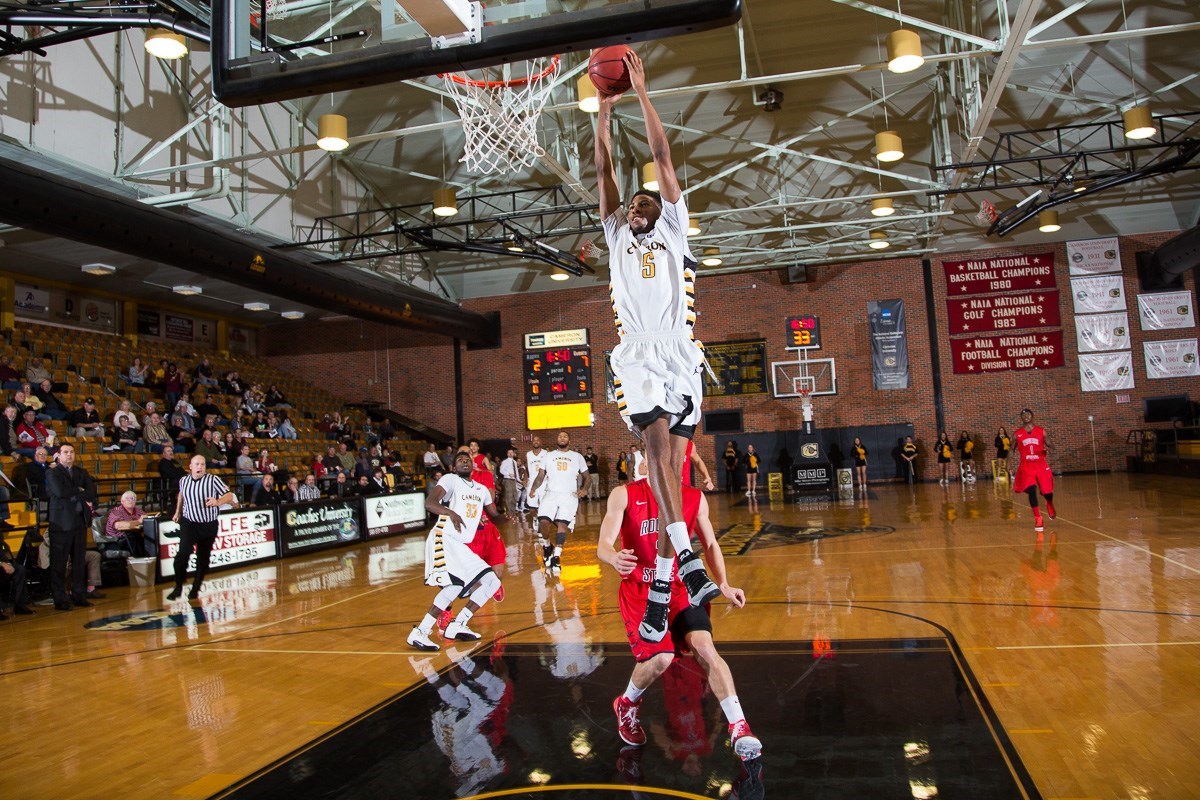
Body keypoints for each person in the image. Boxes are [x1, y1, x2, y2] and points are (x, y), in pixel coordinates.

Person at [594, 50, 720, 642]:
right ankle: (685, 559)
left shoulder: (672, 225)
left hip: (680, 349)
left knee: (673, 467)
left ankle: (667, 581)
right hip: (639, 351)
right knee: (651, 450)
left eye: (645, 202)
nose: (637, 206)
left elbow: (662, 156)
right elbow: (604, 176)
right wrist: (601, 113)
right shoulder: (616, 230)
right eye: (634, 203)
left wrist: (642, 95)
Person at [598, 459, 761, 762]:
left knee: (705, 647)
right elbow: (603, 544)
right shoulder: (624, 494)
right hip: (641, 592)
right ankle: (627, 703)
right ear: (648, 464)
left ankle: (739, 726)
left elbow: (711, 543)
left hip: (679, 588)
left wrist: (724, 583)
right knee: (661, 658)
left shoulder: (694, 498)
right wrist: (613, 557)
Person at [407, 451, 506, 651]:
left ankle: (458, 624)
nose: (464, 462)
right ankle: (420, 632)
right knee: (453, 586)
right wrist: (451, 512)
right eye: (459, 460)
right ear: (453, 467)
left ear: (473, 466)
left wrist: (507, 517)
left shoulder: (482, 490)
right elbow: (430, 503)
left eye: (467, 460)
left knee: (491, 581)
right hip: (444, 538)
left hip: (460, 545)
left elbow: (494, 515)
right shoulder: (450, 480)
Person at [169, 455, 236, 600]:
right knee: (182, 555)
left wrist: (217, 501)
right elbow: (181, 494)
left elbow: (229, 495)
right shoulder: (184, 480)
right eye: (197, 464)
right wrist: (177, 512)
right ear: (191, 466)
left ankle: (195, 587)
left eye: (203, 464)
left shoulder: (213, 480)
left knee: (203, 558)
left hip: (208, 524)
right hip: (189, 522)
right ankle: (178, 586)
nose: (200, 467)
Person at [45, 443, 98, 611]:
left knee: (78, 562)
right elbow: (60, 492)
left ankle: (79, 595)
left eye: (72, 452)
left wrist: (76, 491)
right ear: (58, 455)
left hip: (79, 522)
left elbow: (90, 492)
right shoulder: (52, 472)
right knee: (59, 564)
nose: (69, 455)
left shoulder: (81, 472)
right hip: (61, 524)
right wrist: (78, 490)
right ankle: (60, 599)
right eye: (66, 452)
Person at [529, 431, 590, 575]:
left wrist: (585, 489)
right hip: (551, 493)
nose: (562, 438)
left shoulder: (577, 457)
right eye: (560, 436)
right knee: (543, 522)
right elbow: (540, 475)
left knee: (562, 525)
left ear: (569, 440)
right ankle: (546, 546)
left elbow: (587, 477)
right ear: (557, 440)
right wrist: (533, 488)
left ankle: (556, 556)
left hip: (569, 495)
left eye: (565, 436)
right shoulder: (548, 456)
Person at [1014, 408, 1056, 533]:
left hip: (1040, 463)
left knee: (1047, 491)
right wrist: (1008, 463)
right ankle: (1038, 517)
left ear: (1032, 416)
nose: (1026, 416)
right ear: (1021, 418)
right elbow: (1011, 450)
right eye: (1023, 415)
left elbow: (1050, 445)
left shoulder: (1041, 431)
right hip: (1027, 465)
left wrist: (1049, 449)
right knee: (1031, 489)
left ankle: (1049, 503)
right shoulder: (1017, 434)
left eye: (1028, 414)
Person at [105, 490, 151, 557]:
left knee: (148, 539)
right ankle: (138, 562)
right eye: (128, 498)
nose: (130, 500)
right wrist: (138, 521)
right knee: (135, 540)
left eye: (133, 498)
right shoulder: (116, 511)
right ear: (122, 501)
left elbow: (146, 519)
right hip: (116, 541)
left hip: (132, 537)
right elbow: (117, 525)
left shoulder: (138, 511)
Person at [498, 447, 520, 514]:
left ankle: (513, 512)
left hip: (513, 481)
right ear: (507, 454)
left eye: (511, 453)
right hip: (508, 480)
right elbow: (501, 470)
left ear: (513, 454)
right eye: (509, 453)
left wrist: (519, 480)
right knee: (509, 496)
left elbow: (516, 472)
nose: (510, 454)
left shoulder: (515, 462)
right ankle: (509, 512)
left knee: (514, 496)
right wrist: (508, 474)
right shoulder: (505, 462)